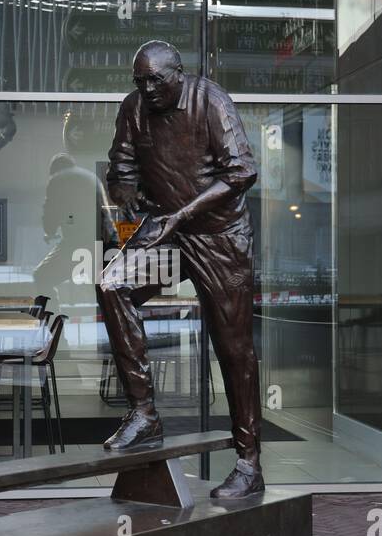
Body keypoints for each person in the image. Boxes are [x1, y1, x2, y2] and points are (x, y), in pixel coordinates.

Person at [97, 40, 264, 499]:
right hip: (166, 231)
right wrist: (126, 191)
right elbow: (121, 165)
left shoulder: (211, 100)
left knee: (234, 349)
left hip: (220, 236)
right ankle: (144, 413)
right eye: (140, 81)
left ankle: (249, 464)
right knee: (112, 284)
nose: (147, 89)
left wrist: (183, 214)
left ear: (179, 74)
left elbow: (242, 172)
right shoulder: (134, 108)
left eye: (156, 80)